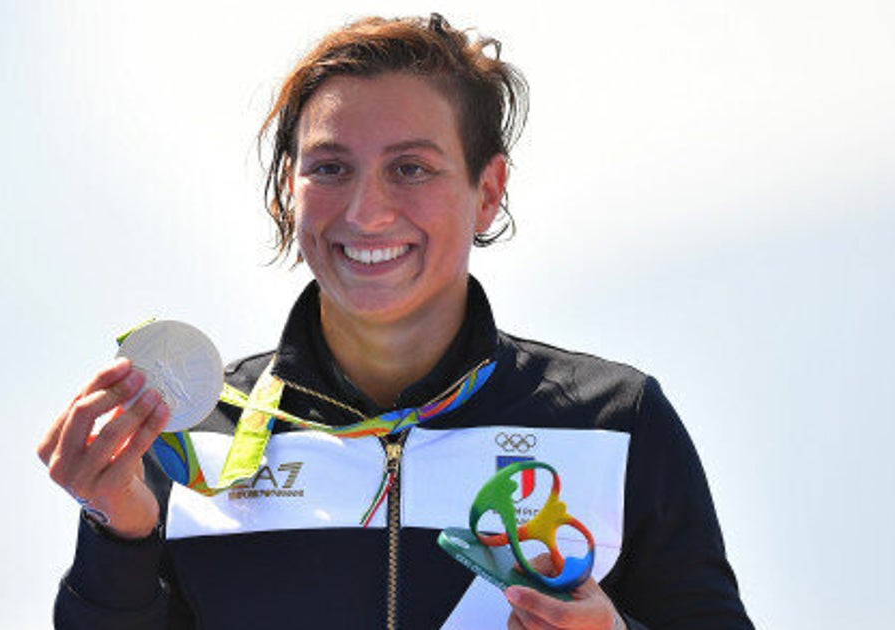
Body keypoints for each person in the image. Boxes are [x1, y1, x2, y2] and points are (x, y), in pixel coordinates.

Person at [37, 14, 752, 630]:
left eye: (411, 169)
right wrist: (119, 532)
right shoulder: (192, 433)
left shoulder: (612, 422)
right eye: (330, 167)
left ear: (488, 191)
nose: (366, 212)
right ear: (289, 190)